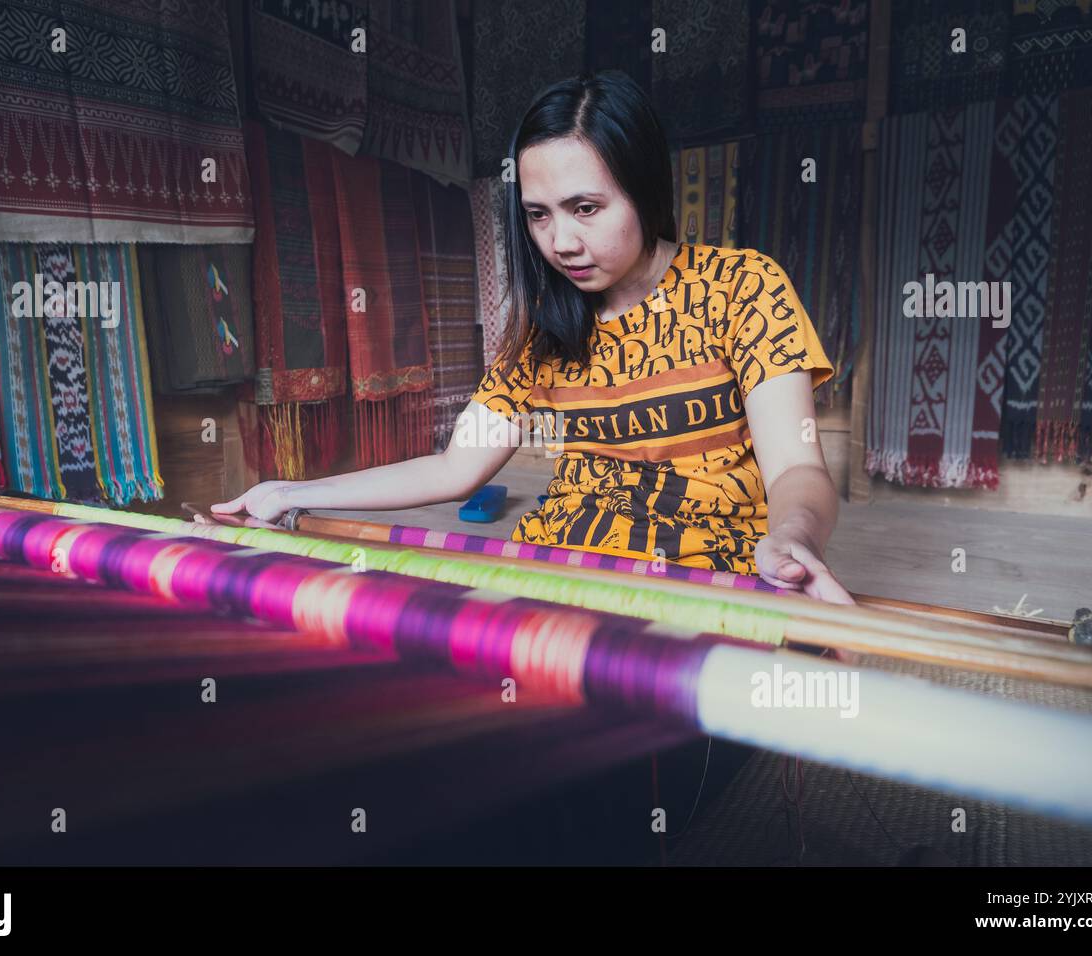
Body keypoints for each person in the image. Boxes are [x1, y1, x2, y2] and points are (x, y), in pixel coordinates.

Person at [214, 70, 854, 605]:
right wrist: (290, 493)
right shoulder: (542, 329)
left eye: (586, 209)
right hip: (559, 574)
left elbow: (798, 465)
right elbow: (455, 468)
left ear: (644, 191)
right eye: (539, 215)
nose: (561, 242)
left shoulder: (742, 288)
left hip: (709, 580)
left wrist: (794, 536)